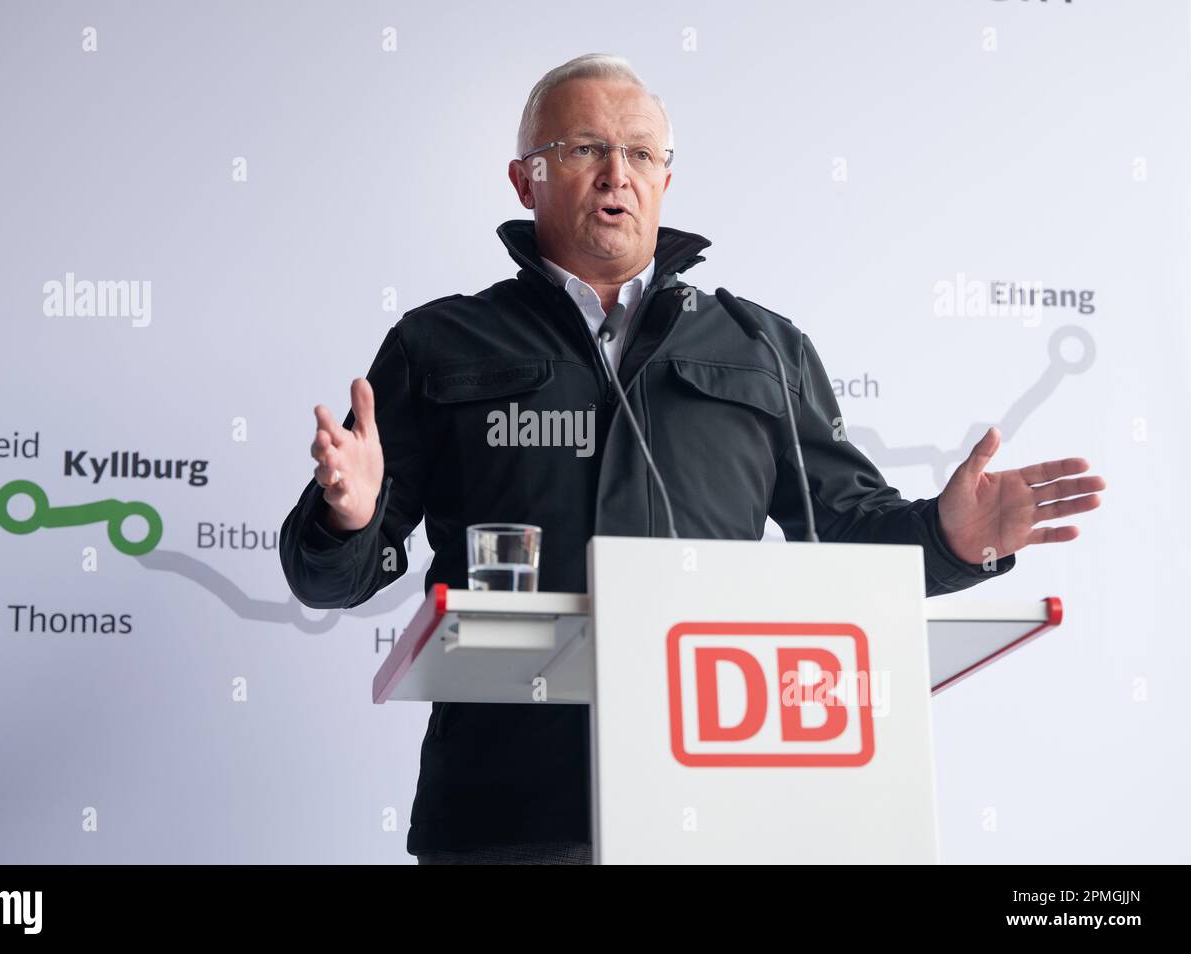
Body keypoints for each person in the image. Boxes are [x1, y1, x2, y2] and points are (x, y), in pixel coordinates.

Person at [278, 53, 1106, 865]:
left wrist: (952, 539)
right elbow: (331, 577)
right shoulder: (438, 344)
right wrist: (346, 518)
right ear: (524, 178)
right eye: (584, 149)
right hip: (508, 815)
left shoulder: (760, 346)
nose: (616, 174)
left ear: (666, 180)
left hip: (716, 803)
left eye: (640, 153)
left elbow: (847, 531)